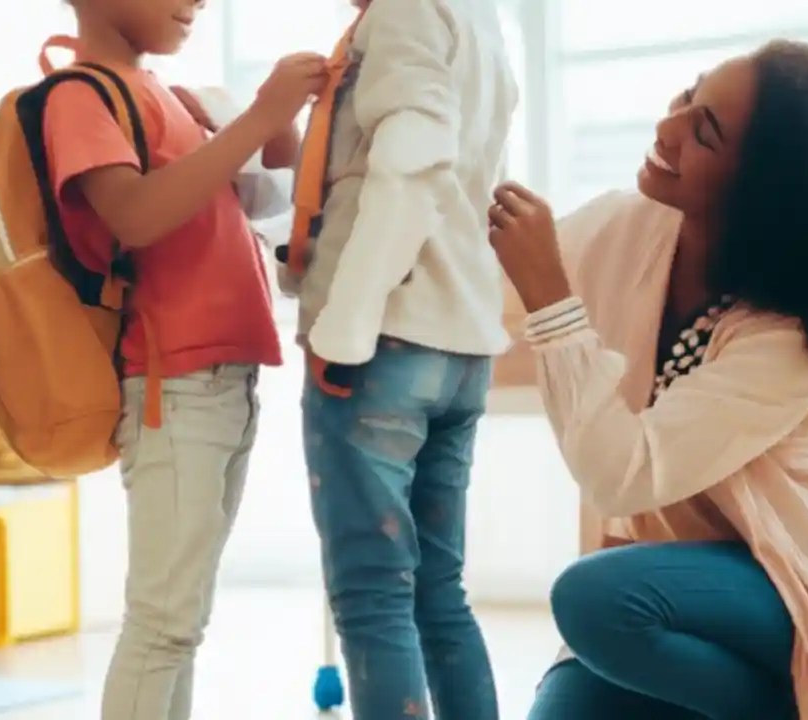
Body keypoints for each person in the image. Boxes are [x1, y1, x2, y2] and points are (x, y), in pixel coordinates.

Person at [489, 40, 808, 720]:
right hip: (664, 587)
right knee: (568, 685)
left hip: (786, 583)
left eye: (703, 132)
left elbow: (620, 475)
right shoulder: (630, 226)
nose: (667, 128)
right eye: (687, 98)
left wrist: (553, 303)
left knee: (591, 601)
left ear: (763, 188)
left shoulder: (793, 337)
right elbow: (487, 290)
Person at [43, 2, 327, 718]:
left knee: (180, 623)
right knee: (163, 622)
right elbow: (135, 215)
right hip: (174, 384)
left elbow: (259, 202)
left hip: (225, 380)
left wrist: (278, 123)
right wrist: (259, 118)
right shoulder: (79, 97)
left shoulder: (172, 98)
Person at [280, 0, 518, 717]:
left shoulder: (406, 11)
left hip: (386, 341)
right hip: (463, 338)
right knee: (438, 593)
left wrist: (344, 328)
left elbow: (413, 161)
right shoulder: (477, 20)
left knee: (373, 595)